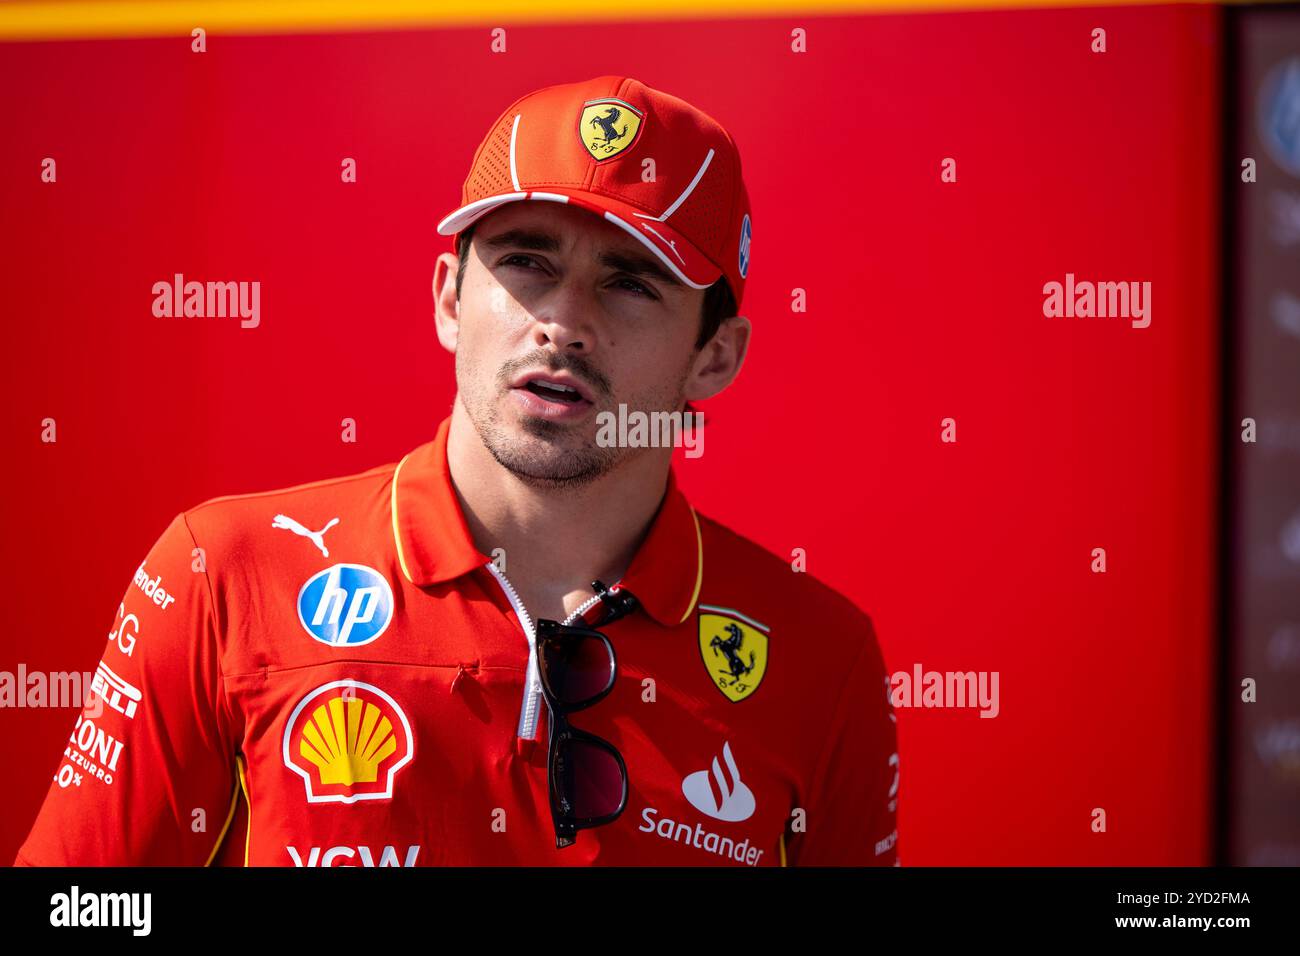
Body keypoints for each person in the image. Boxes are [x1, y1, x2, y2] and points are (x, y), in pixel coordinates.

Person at [14, 75, 899, 867]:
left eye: (631, 281)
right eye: (526, 262)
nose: (562, 321)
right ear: (448, 298)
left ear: (716, 355)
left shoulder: (823, 659)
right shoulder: (224, 574)